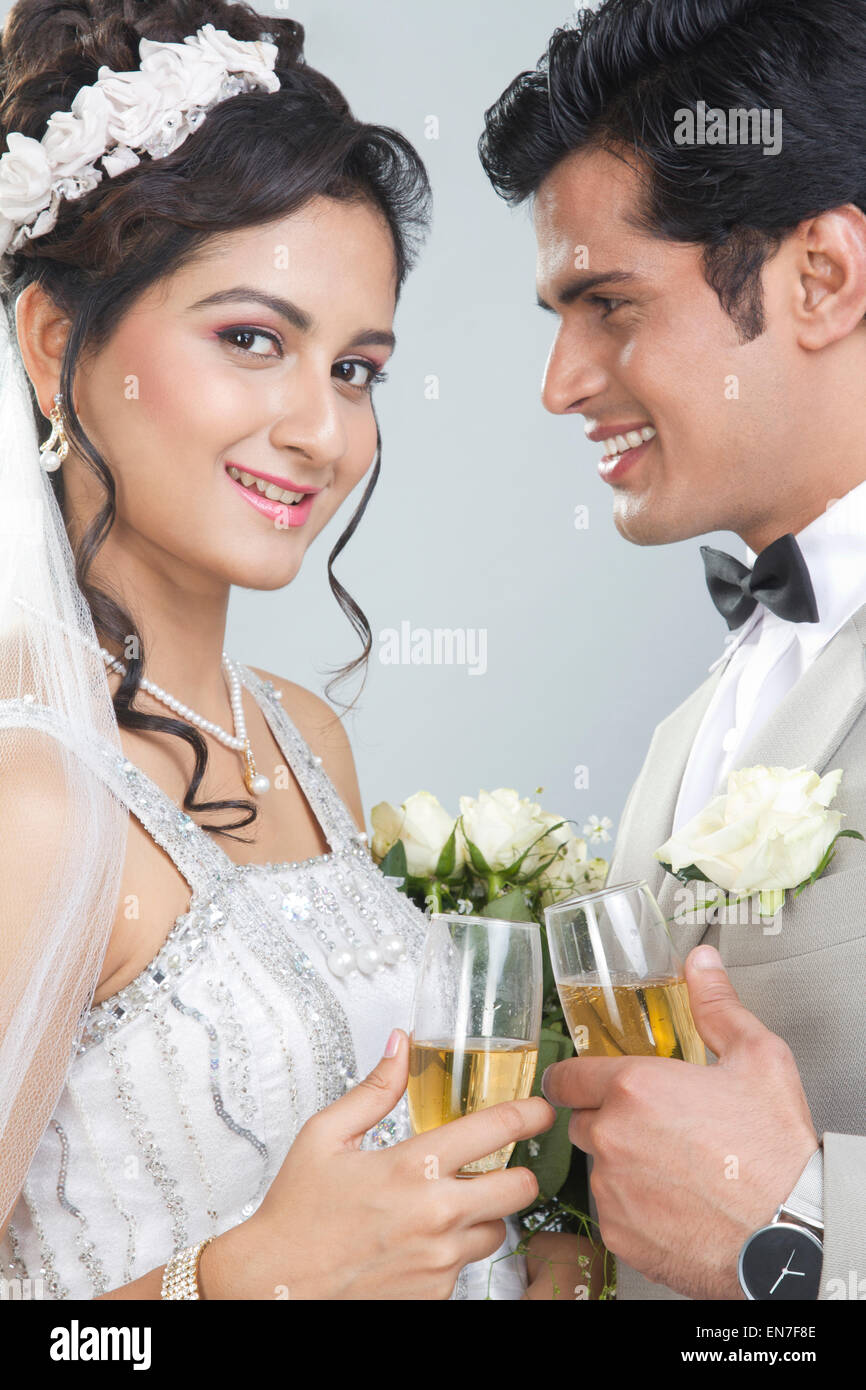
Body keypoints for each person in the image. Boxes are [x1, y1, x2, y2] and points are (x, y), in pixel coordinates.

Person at [0, 0, 555, 1301]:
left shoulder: (306, 736)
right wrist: (243, 1281)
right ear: (53, 342)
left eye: (356, 367)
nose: (322, 430)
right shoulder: (34, 802)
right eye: (251, 338)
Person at [479, 0, 866, 1300]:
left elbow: (753, 1215)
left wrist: (798, 1226)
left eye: (608, 303)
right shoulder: (691, 724)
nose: (560, 383)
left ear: (822, 278)